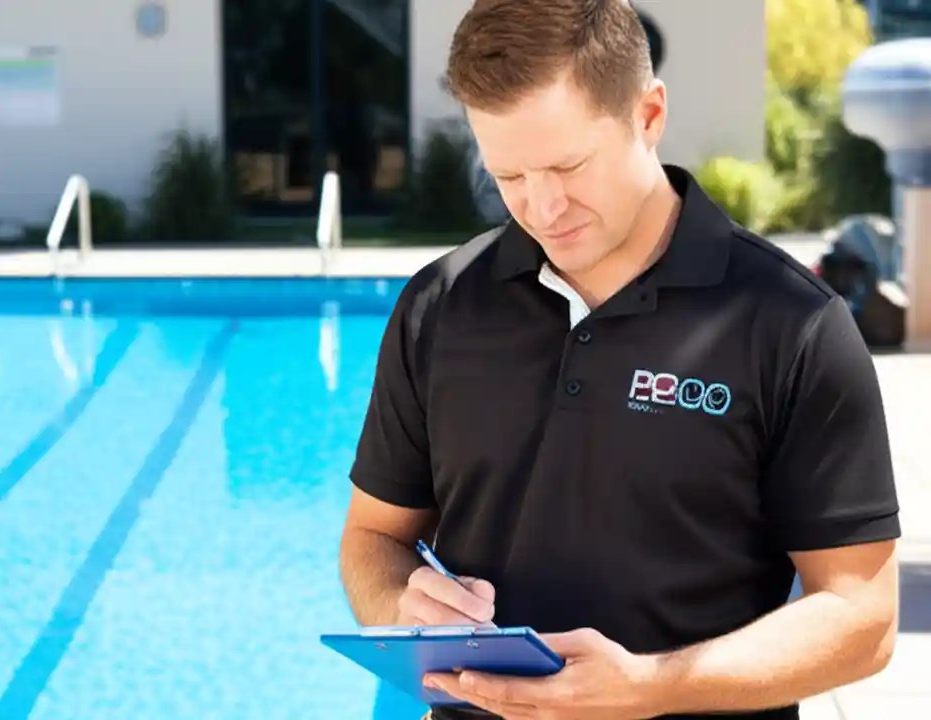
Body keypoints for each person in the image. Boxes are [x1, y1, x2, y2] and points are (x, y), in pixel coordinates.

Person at [337, 1, 903, 719]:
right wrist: (396, 602)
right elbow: (374, 535)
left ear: (649, 114)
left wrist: (656, 685)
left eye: (569, 165)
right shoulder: (440, 307)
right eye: (507, 176)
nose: (543, 207)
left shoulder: (793, 325)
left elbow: (863, 618)